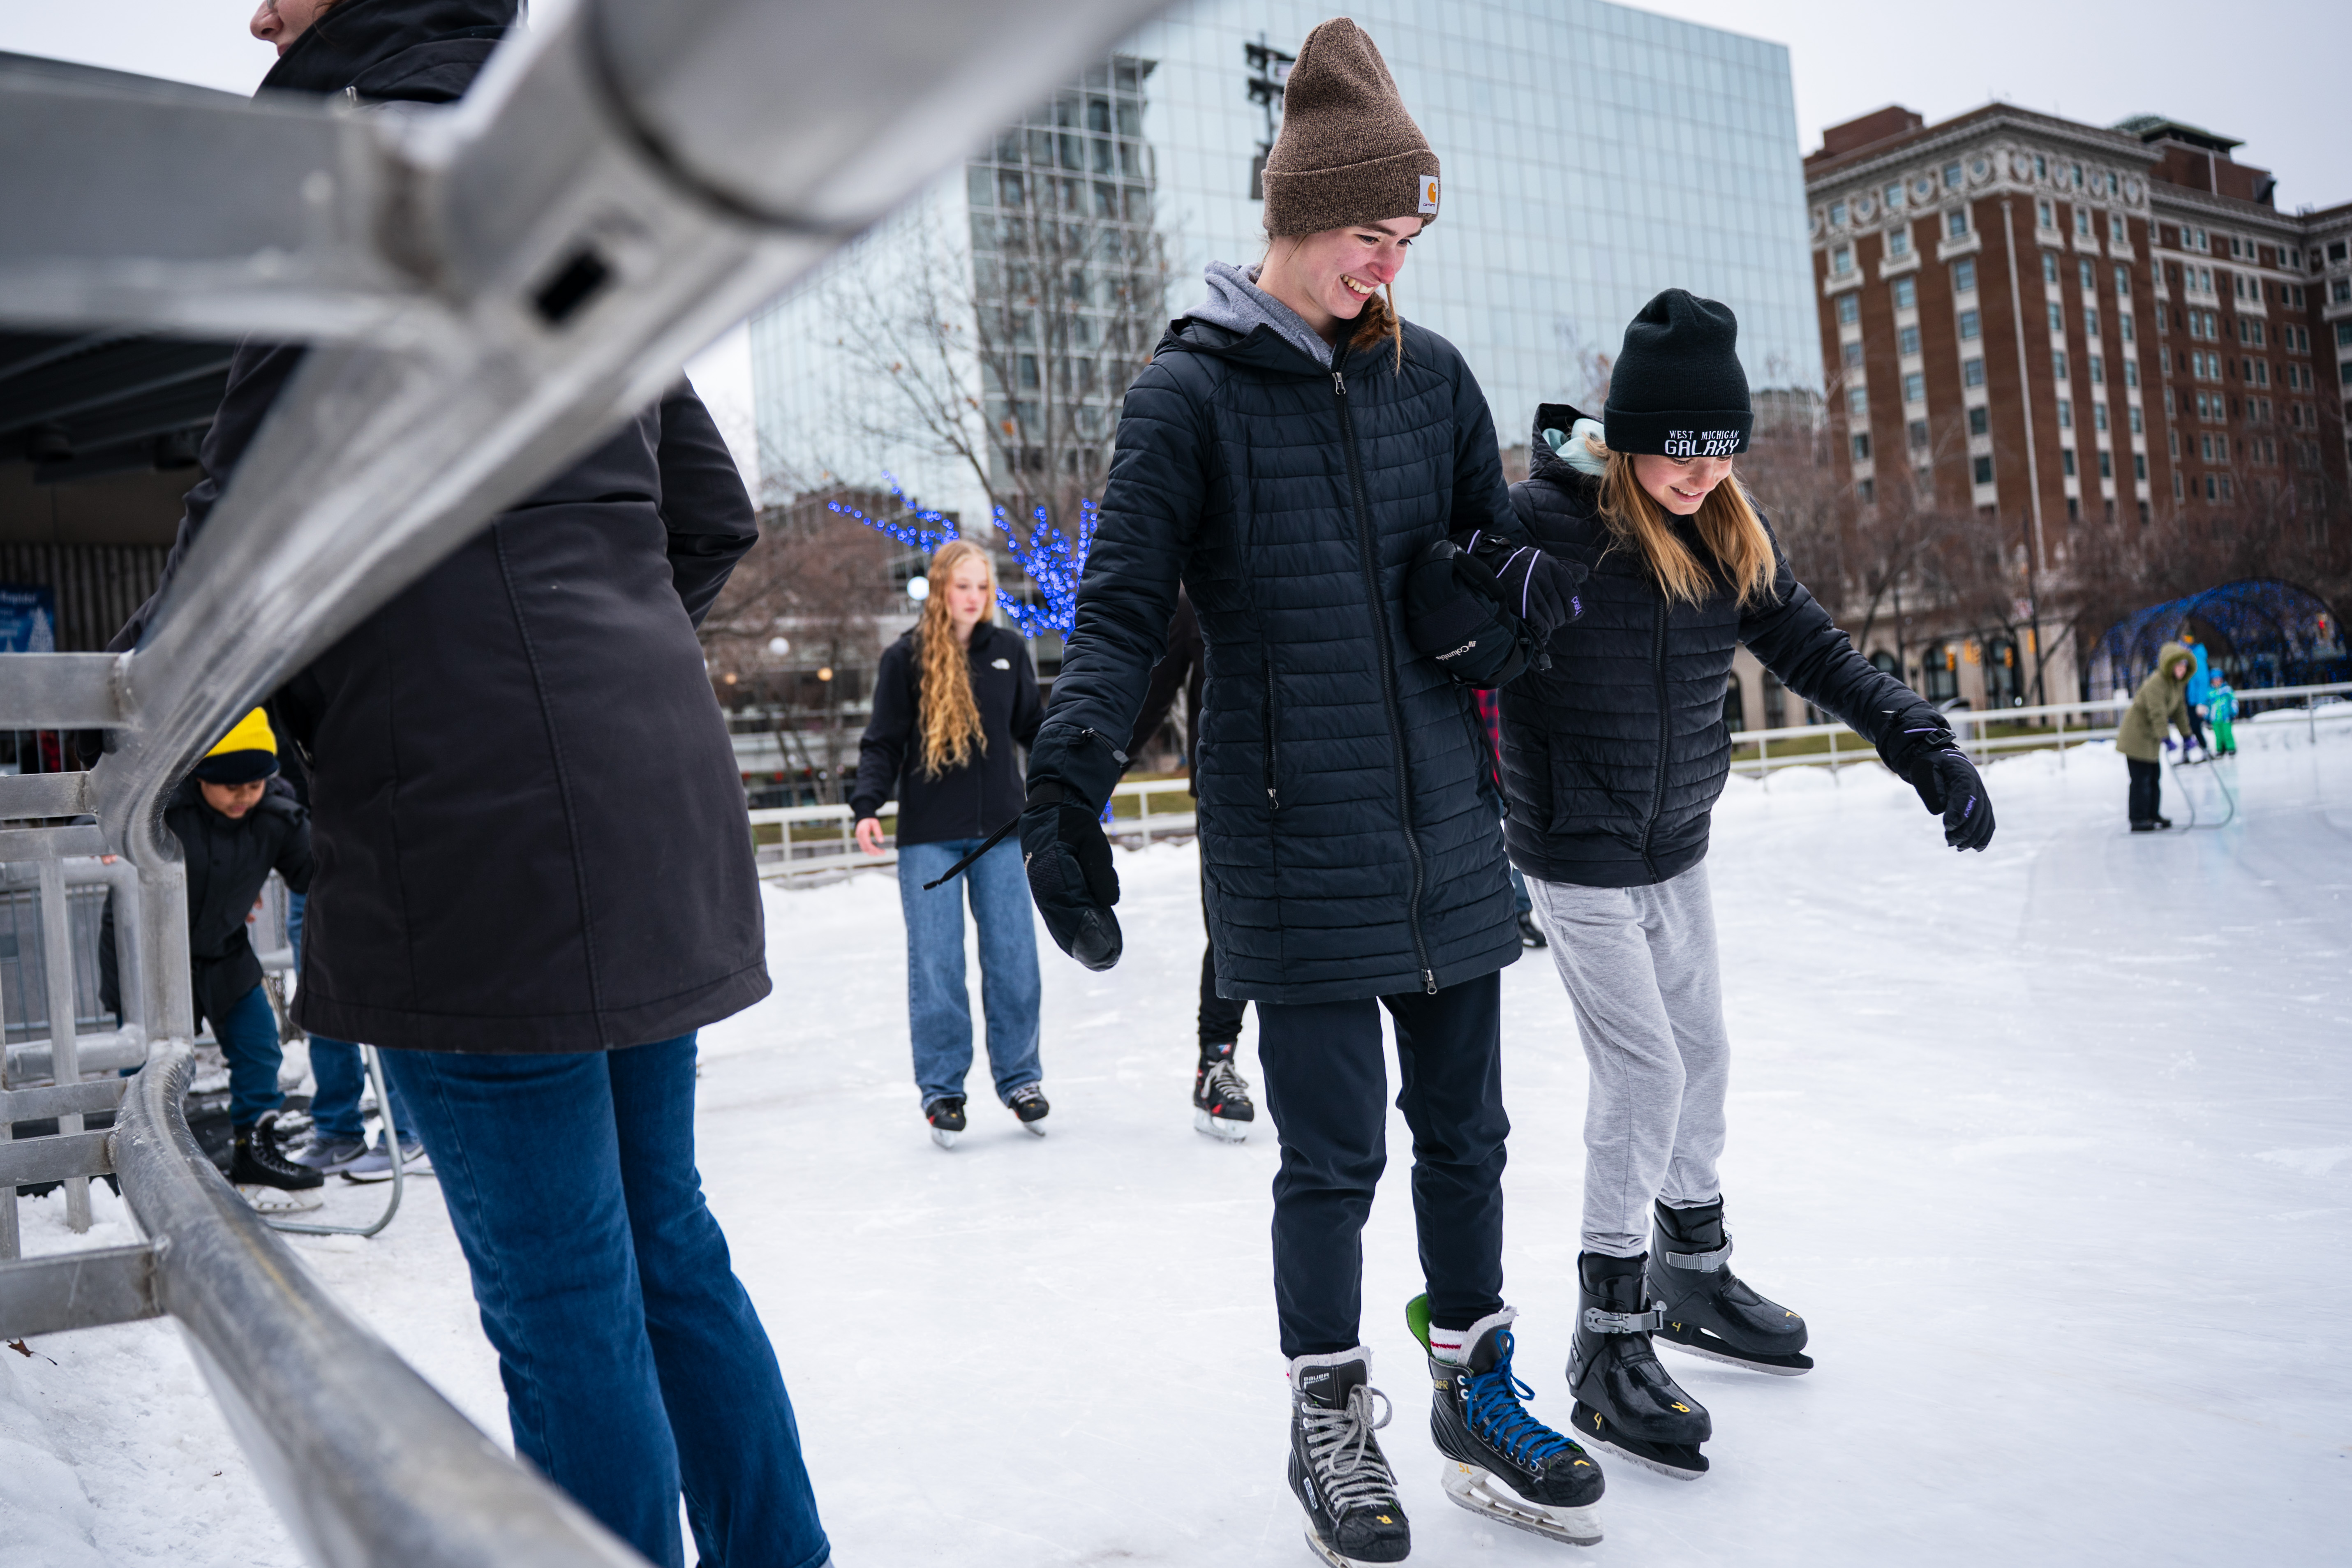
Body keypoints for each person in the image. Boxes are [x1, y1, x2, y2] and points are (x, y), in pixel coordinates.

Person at [106, 4, 832, 1563]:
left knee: (566, 1282)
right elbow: (706, 508)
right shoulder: (560, 176)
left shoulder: (341, 170)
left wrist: (129, 722)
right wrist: (597, 657)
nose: (254, 13)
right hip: (646, 794)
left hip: (468, 826)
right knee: (665, 1241)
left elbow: (238, 539)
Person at [1014, 20, 1600, 1562]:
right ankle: (1327, 1408)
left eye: (1406, 239)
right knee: (1332, 1155)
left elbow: (1473, 568)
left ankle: (1477, 1384)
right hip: (1295, 841)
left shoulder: (1438, 378)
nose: (1385, 267)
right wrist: (1065, 780)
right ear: (1293, 216)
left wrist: (1519, 589)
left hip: (1448, 837)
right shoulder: (1186, 399)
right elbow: (1126, 613)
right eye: (1367, 234)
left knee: (1468, 1133)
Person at [1497, 289, 1997, 1480]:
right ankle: (1606, 1335)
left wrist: (1918, 737)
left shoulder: (1725, 532)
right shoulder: (1551, 522)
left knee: (1705, 1052)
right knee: (1644, 1068)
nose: (1700, 473)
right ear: (1629, 434)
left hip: (1675, 837)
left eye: (1722, 452)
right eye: (1680, 449)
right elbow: (1464, 666)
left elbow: (1815, 649)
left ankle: (1691, 1268)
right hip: (1573, 845)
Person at [851, 539, 1049, 1148]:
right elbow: (883, 739)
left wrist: (1066, 782)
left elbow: (1033, 730)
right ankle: (942, 1089)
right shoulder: (905, 657)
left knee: (1014, 959)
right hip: (929, 839)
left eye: (983, 587)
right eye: (963, 585)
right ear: (940, 588)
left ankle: (1020, 1078)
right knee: (937, 966)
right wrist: (866, 805)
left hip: (999, 832)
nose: (974, 597)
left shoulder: (1008, 651)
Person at [102, 709, 325, 1208]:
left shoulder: (276, 816)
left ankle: (255, 1146)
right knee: (146, 1063)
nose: (245, 795)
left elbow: (314, 871)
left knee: (258, 1044)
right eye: (231, 785)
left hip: (224, 949)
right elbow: (100, 813)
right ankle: (140, 1161)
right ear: (200, 774)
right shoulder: (158, 810)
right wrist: (104, 844)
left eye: (255, 784)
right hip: (150, 954)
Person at [1127, 588, 1259, 1141]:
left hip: (1315, 787)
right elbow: (1151, 696)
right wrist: (1087, 775)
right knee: (1231, 930)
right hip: (1228, 791)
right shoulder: (1190, 602)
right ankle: (1216, 1063)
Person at [1471, 688, 1544, 949]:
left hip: (1515, 756)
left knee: (1524, 838)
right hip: (1478, 755)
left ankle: (1521, 911)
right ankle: (1506, 913)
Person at [2119, 641, 2198, 830]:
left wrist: (2187, 735)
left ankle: (2152, 814)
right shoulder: (2156, 683)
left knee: (2154, 776)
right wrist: (2166, 737)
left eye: (2184, 666)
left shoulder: (2176, 685)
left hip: (2151, 738)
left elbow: (2179, 711)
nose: (2181, 670)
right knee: (2141, 779)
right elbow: (2158, 713)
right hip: (2137, 736)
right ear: (2170, 665)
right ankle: (2138, 819)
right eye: (2178, 666)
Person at [2207, 674, 2239, 756]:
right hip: (2215, 718)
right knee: (2218, 735)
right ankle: (2220, 749)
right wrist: (2207, 716)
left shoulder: (2227, 690)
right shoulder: (2210, 693)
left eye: (2218, 680)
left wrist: (2234, 712)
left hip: (2226, 717)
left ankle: (2231, 748)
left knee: (2227, 733)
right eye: (2215, 680)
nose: (2217, 682)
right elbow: (2208, 706)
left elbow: (2233, 701)